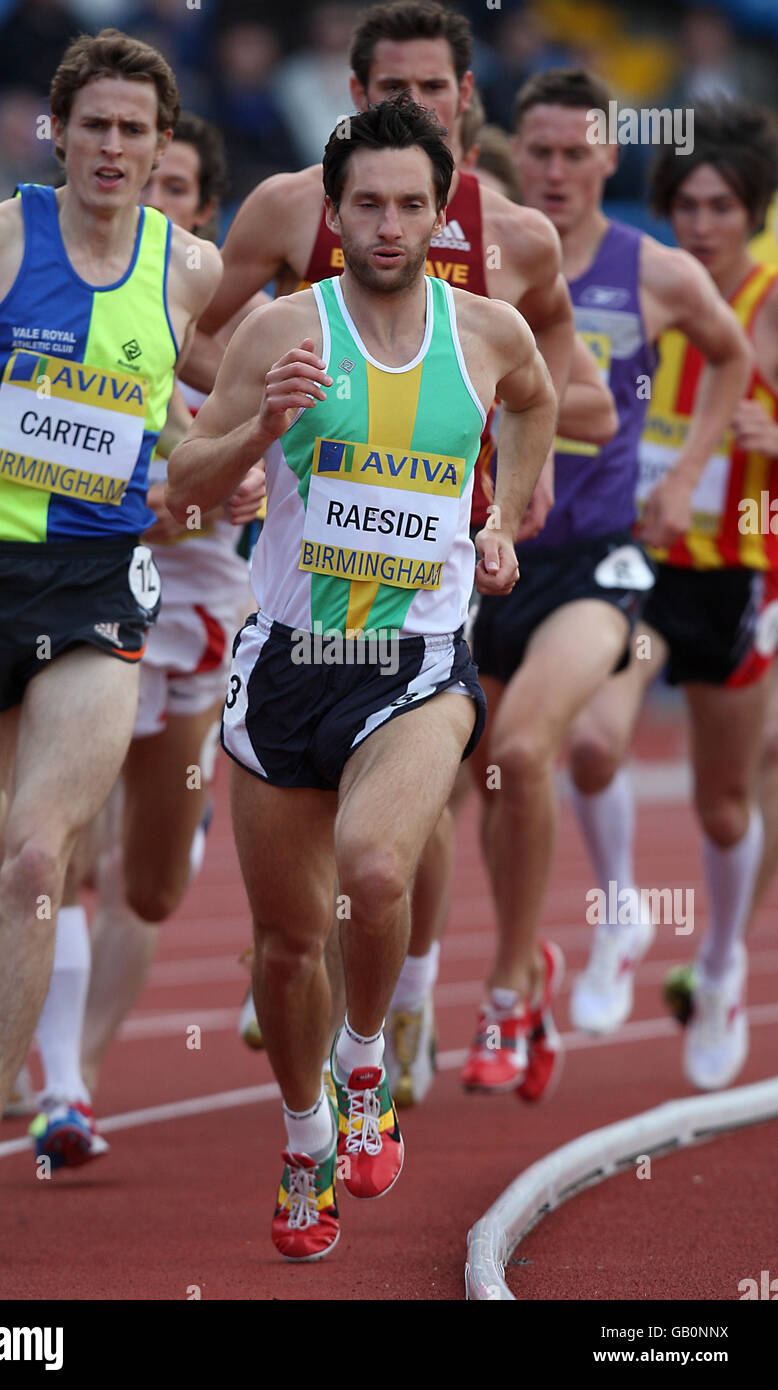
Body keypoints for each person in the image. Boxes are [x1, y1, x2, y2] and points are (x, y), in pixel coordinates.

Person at [166, 94, 557, 1262]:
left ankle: (367, 1063)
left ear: (440, 215)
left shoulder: (485, 331)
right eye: (365, 205)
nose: (388, 225)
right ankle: (301, 1139)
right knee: (285, 947)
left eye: (410, 205)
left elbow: (531, 406)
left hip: (419, 660)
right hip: (288, 658)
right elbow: (181, 483)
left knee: (377, 871)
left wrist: (501, 524)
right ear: (330, 214)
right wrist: (252, 436)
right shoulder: (281, 330)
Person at [0, 28, 221, 1261]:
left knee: (40, 865)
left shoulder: (185, 266)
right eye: (90, 124)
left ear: (160, 145)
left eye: (133, 130)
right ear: (56, 132)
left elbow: (195, 415)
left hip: (98, 589)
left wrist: (228, 468)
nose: (110, 146)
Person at [460, 68, 751, 1099]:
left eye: (572, 153)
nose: (551, 170)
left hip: (596, 557)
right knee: (490, 780)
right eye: (534, 150)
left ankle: (532, 977)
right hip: (474, 557)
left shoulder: (653, 270)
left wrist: (678, 471)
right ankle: (505, 973)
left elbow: (725, 355)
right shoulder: (476, 257)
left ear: (604, 161)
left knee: (548, 746)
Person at [30, 115, 266, 1167]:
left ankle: (69, 1064)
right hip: (80, 598)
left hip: (195, 612)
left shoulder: (240, 336)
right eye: (140, 179)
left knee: (152, 884)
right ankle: (63, 1085)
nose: (150, 199)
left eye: (174, 186)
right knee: (55, 848)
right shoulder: (63, 307)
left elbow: (228, 497)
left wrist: (201, 485)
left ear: (204, 212)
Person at [568, 100, 778, 1088]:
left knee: (724, 803)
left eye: (721, 206)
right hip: (638, 568)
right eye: (685, 204)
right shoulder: (640, 291)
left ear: (750, 212)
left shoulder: (770, 302)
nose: (700, 223)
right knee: (589, 739)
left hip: (737, 573)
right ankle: (619, 915)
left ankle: (723, 959)